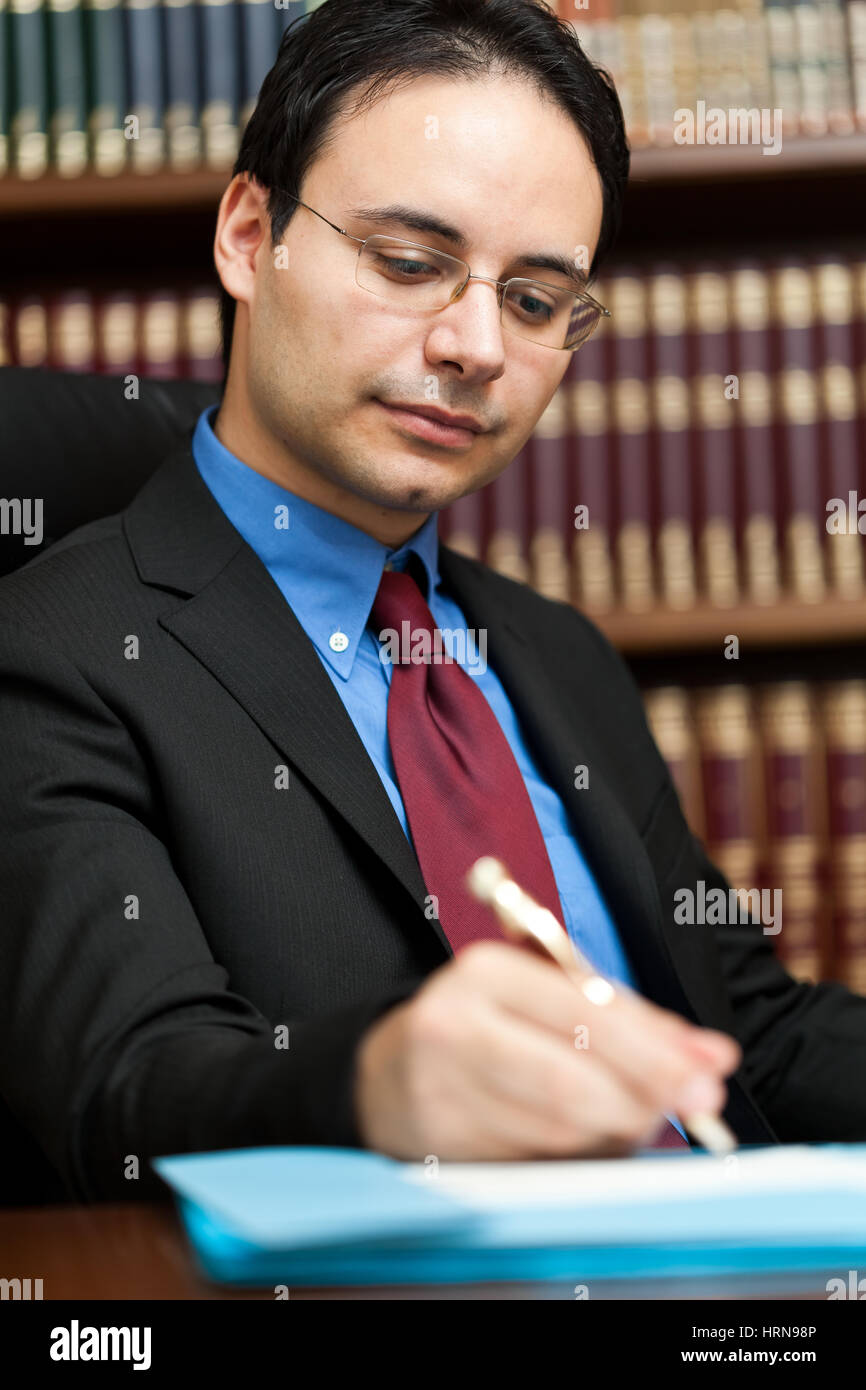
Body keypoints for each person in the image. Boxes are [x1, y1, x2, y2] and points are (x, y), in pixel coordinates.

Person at [1, 0, 862, 1207]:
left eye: (532, 300)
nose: (472, 346)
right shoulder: (54, 648)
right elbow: (128, 1087)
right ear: (250, 237)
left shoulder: (553, 651)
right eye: (409, 263)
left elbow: (747, 1032)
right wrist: (377, 1086)